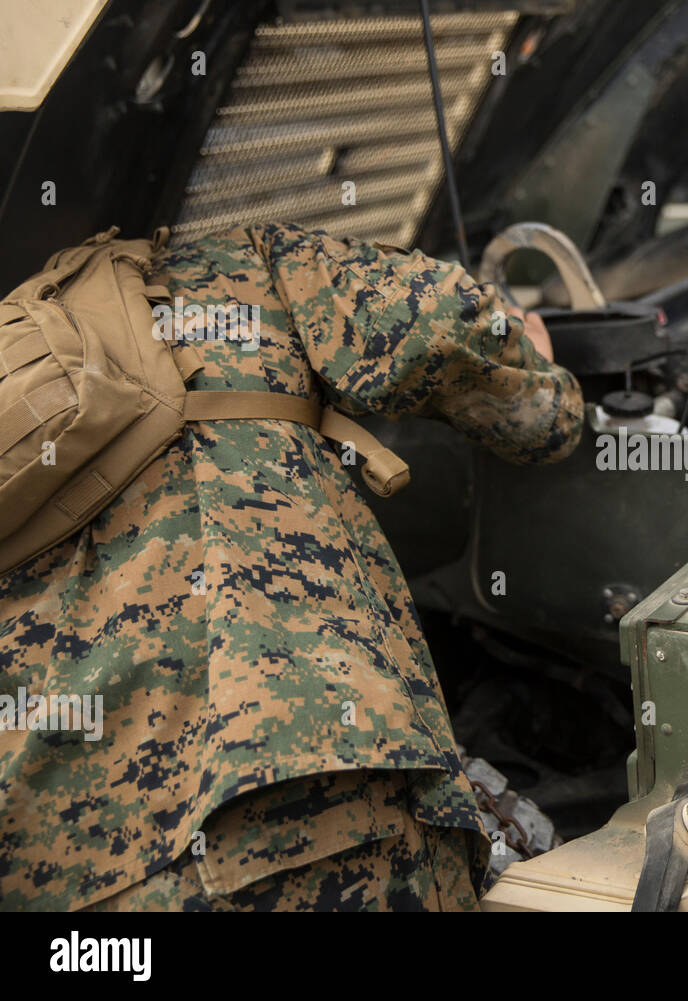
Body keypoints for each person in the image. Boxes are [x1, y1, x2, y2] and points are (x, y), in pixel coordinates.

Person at [0, 222, 582, 911]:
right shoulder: (243, 259)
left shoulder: (17, 357)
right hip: (312, 819)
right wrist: (540, 373)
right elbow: (475, 349)